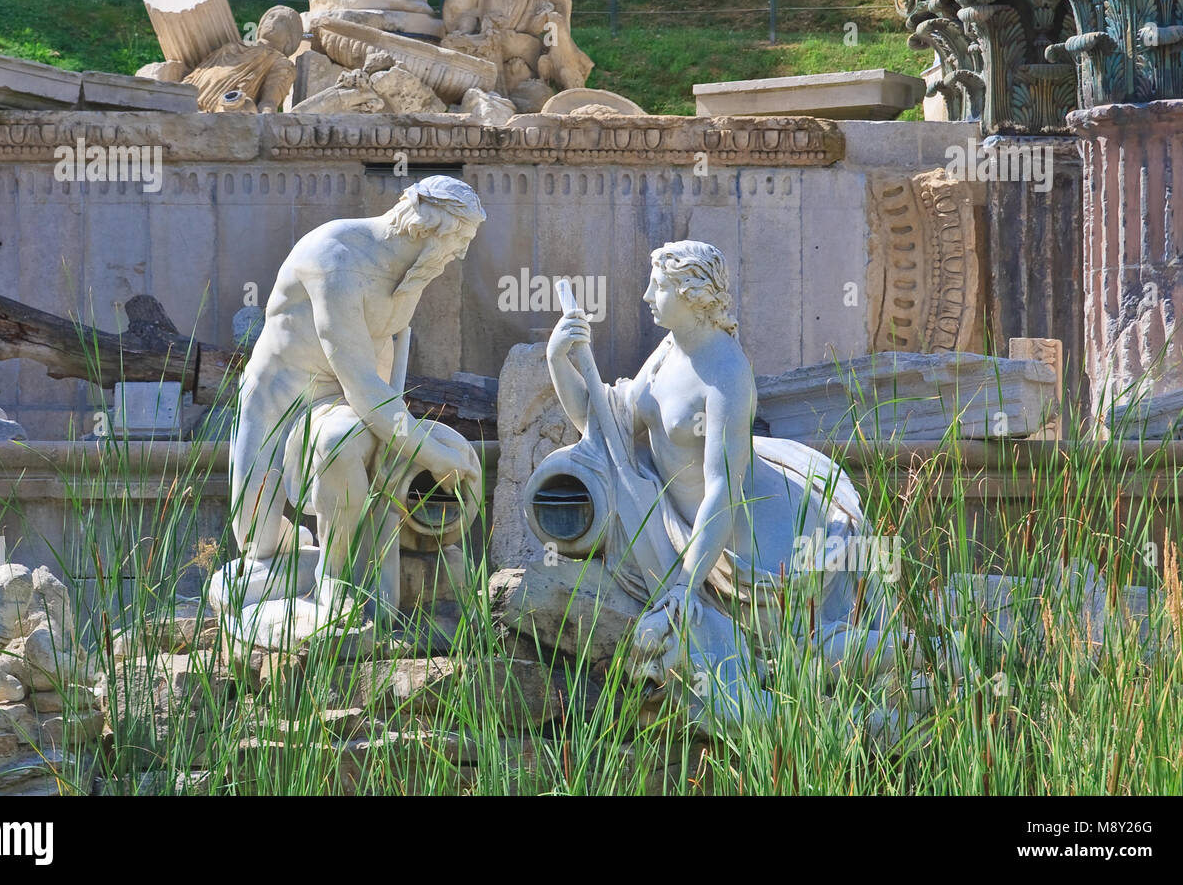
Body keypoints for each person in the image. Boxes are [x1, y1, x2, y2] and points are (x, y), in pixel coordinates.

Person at [545, 240, 906, 703]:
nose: (647, 297)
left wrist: (682, 588)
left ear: (692, 294)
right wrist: (559, 358)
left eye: (658, 286)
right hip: (680, 525)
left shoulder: (726, 373)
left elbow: (722, 489)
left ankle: (923, 658)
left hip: (745, 548)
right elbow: (602, 428)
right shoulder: (668, 351)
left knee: (798, 657)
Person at [222, 175, 485, 622]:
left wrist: (393, 441)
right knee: (256, 543)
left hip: (341, 402)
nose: (459, 253)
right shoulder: (337, 258)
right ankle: (293, 553)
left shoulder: (414, 268)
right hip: (277, 400)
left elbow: (391, 345)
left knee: (340, 443)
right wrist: (435, 456)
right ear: (427, 227)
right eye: (459, 239)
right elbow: (362, 381)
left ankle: (332, 577)